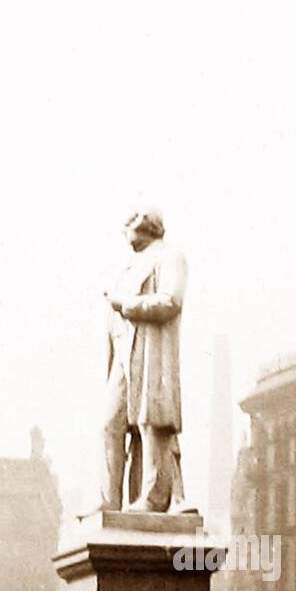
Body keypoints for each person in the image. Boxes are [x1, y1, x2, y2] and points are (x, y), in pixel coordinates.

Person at [100, 206, 189, 512]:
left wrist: (127, 304)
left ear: (145, 225)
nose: (125, 232)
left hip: (151, 349)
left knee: (151, 420)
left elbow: (170, 301)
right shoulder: (128, 266)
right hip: (124, 353)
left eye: (130, 224)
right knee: (110, 423)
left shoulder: (169, 256)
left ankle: (154, 495)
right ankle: (108, 500)